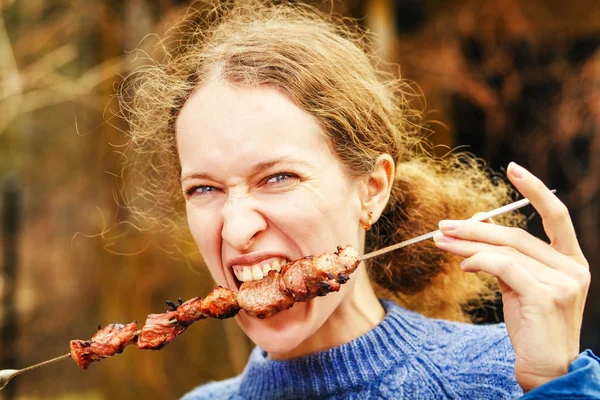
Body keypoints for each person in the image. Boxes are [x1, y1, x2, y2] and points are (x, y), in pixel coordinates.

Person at [120, 1, 598, 398]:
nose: (237, 228)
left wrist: (554, 385)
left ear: (371, 189)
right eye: (204, 189)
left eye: (278, 177)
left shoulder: (507, 377)